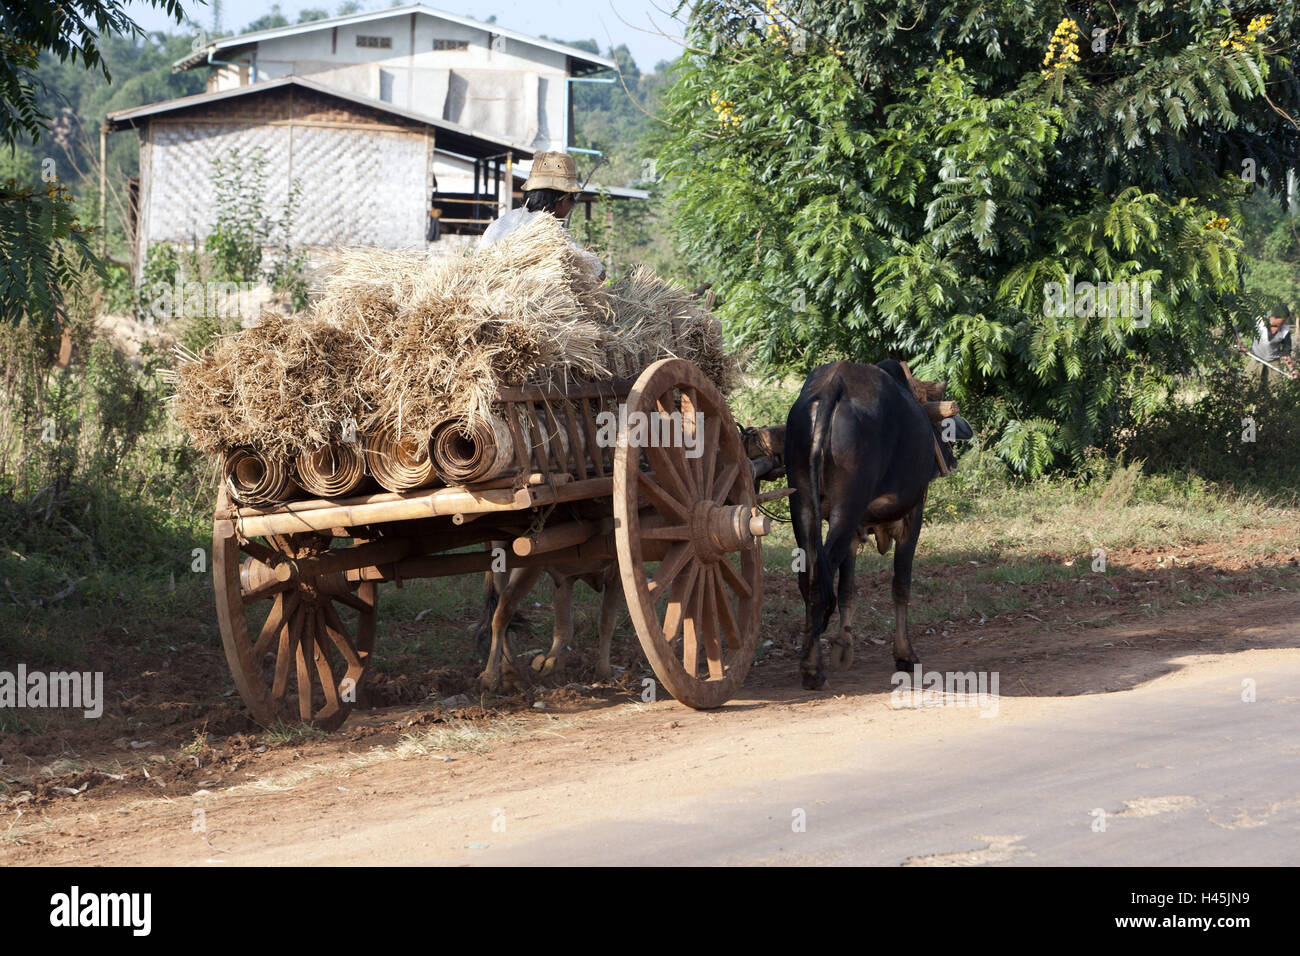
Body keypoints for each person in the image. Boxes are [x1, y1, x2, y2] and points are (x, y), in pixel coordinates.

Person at [479, 150, 604, 280]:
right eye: (572, 199)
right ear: (564, 200)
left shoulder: (501, 223)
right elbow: (598, 274)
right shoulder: (551, 232)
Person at [1240, 303, 1297, 388]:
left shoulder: (1285, 331)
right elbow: (1236, 329)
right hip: (1256, 359)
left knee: (1277, 388)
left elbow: (1286, 352)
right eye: (1282, 321)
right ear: (1273, 317)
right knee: (1247, 386)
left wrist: (1292, 370)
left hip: (1273, 362)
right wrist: (1239, 343)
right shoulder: (1258, 321)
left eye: (1285, 321)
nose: (1284, 323)